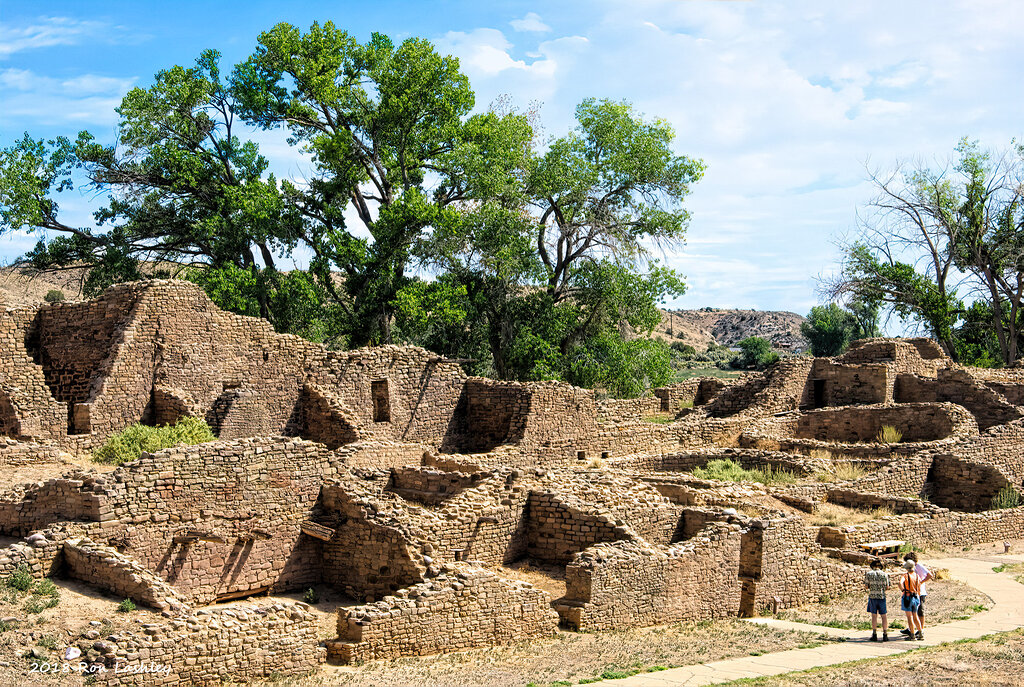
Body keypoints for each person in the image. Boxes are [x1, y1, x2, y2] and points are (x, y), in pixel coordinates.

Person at [901, 552, 931, 640]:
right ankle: (912, 629)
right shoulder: (912, 569)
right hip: (915, 592)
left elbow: (930, 575)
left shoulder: (919, 567)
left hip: (919, 592)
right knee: (914, 613)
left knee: (919, 612)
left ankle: (919, 629)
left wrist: (920, 583)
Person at [864, 558, 890, 641]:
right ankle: (885, 634)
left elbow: (866, 586)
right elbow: (887, 587)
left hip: (872, 597)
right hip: (881, 597)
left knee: (874, 616)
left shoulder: (869, 574)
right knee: (884, 616)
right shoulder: (884, 574)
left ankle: (874, 634)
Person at [899, 559, 923, 640]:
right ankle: (920, 633)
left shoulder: (905, 576)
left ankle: (912, 635)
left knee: (909, 617)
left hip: (908, 597)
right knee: (915, 616)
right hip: (916, 597)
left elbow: (900, 583)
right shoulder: (917, 576)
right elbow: (919, 587)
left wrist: (903, 590)